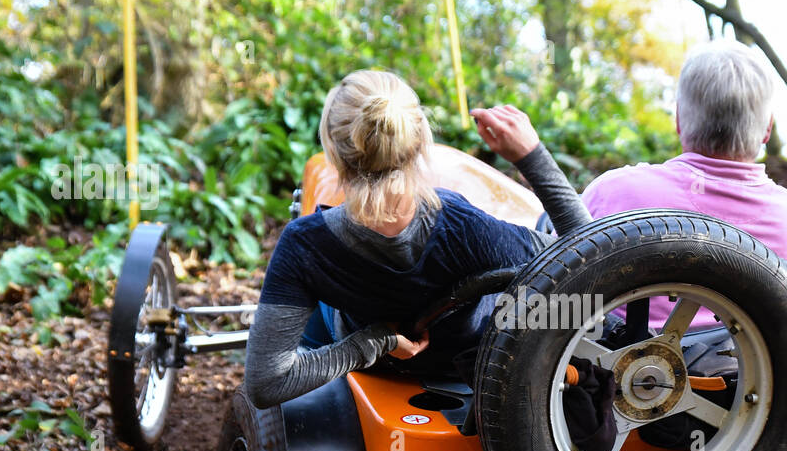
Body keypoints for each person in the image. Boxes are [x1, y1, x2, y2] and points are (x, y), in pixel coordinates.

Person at [243, 71, 588, 409]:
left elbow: (266, 383)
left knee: (310, 297)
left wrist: (370, 343)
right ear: (422, 142)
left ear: (333, 152)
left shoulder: (305, 243)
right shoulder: (464, 227)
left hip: (375, 363)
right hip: (467, 359)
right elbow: (595, 255)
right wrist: (531, 156)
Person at [580, 39, 787, 329]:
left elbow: (554, 285)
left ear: (679, 119)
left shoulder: (613, 192)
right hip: (750, 373)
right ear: (767, 128)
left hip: (619, 369)